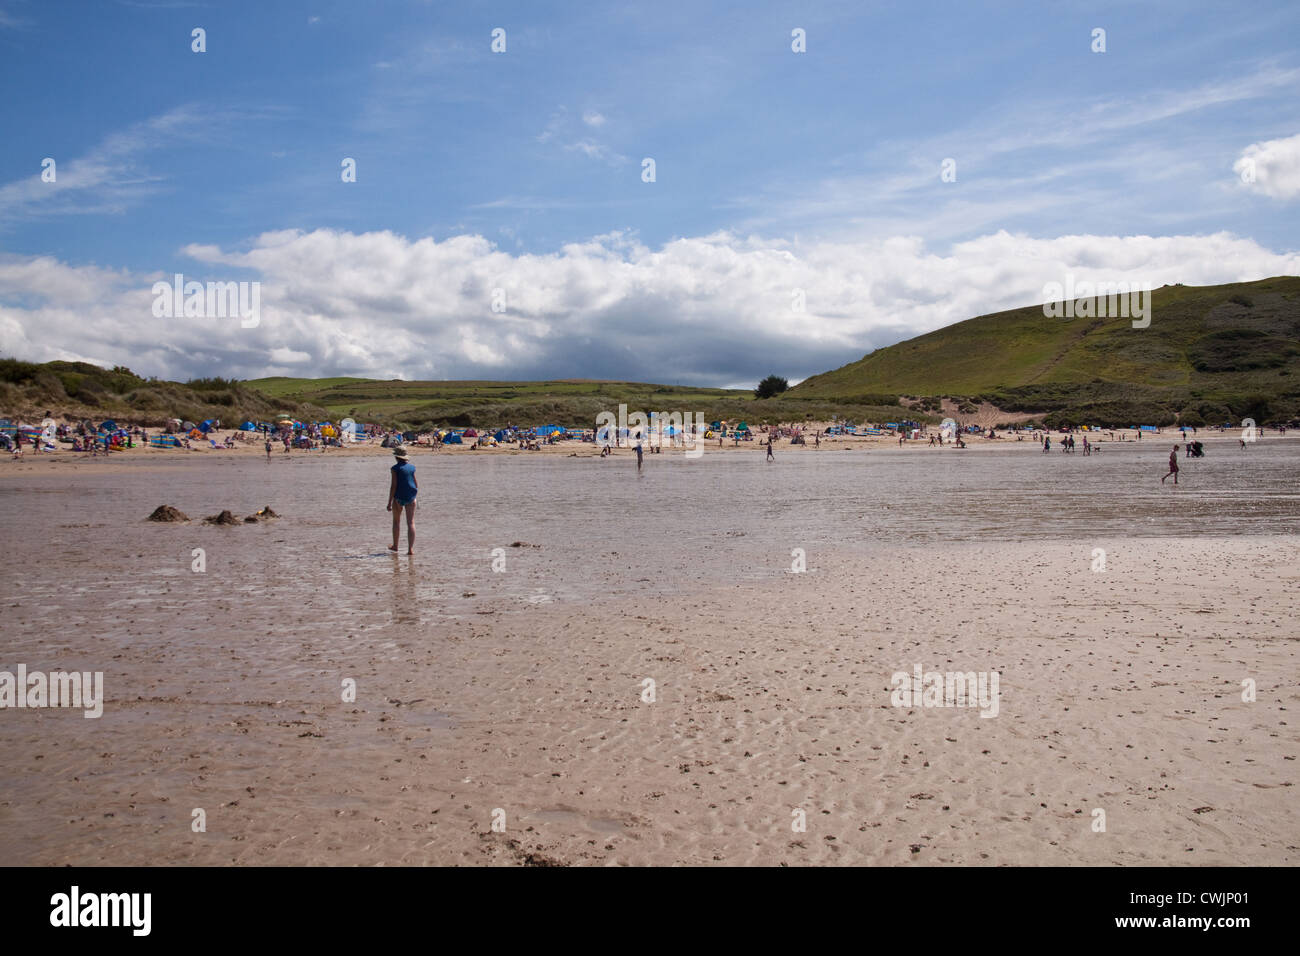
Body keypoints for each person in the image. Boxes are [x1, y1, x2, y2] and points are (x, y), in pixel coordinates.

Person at [387, 447, 418, 554]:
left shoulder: (394, 468)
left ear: (396, 457)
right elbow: (415, 483)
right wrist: (415, 496)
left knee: (396, 522)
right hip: (411, 497)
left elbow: (393, 486)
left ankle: (395, 546)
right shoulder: (412, 468)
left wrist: (389, 502)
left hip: (398, 497)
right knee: (411, 522)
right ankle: (410, 549)